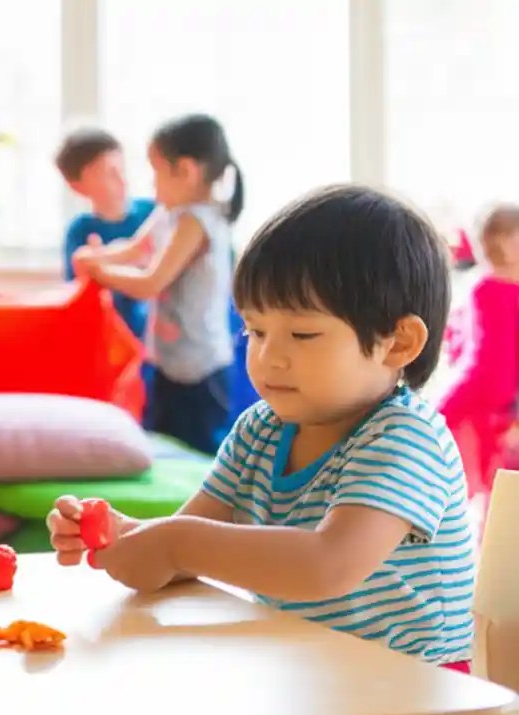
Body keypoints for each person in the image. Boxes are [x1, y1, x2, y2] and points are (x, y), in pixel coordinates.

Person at [49, 185, 475, 671]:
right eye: (255, 331)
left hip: (423, 690)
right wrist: (121, 536)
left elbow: (327, 565)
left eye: (302, 334)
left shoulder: (406, 437)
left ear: (397, 343)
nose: (269, 356)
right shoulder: (260, 431)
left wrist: (174, 542)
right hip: (307, 674)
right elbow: (180, 554)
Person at [72, 114, 242, 454]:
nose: (151, 184)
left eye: (157, 171)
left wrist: (100, 273)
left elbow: (151, 282)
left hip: (199, 371)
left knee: (196, 452)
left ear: (187, 171)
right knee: (163, 444)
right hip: (168, 362)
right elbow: (135, 249)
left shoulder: (196, 223)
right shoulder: (169, 212)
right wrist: (97, 257)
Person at [439, 204, 519, 510]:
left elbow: (488, 368)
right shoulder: (492, 291)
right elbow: (490, 366)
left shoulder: (490, 291)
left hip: (498, 418)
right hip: (496, 418)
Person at [54, 126, 157, 340]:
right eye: (109, 173)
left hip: (160, 343)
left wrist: (111, 264)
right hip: (111, 341)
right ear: (77, 186)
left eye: (122, 169)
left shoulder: (154, 213)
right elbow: (78, 294)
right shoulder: (80, 231)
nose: (122, 180)